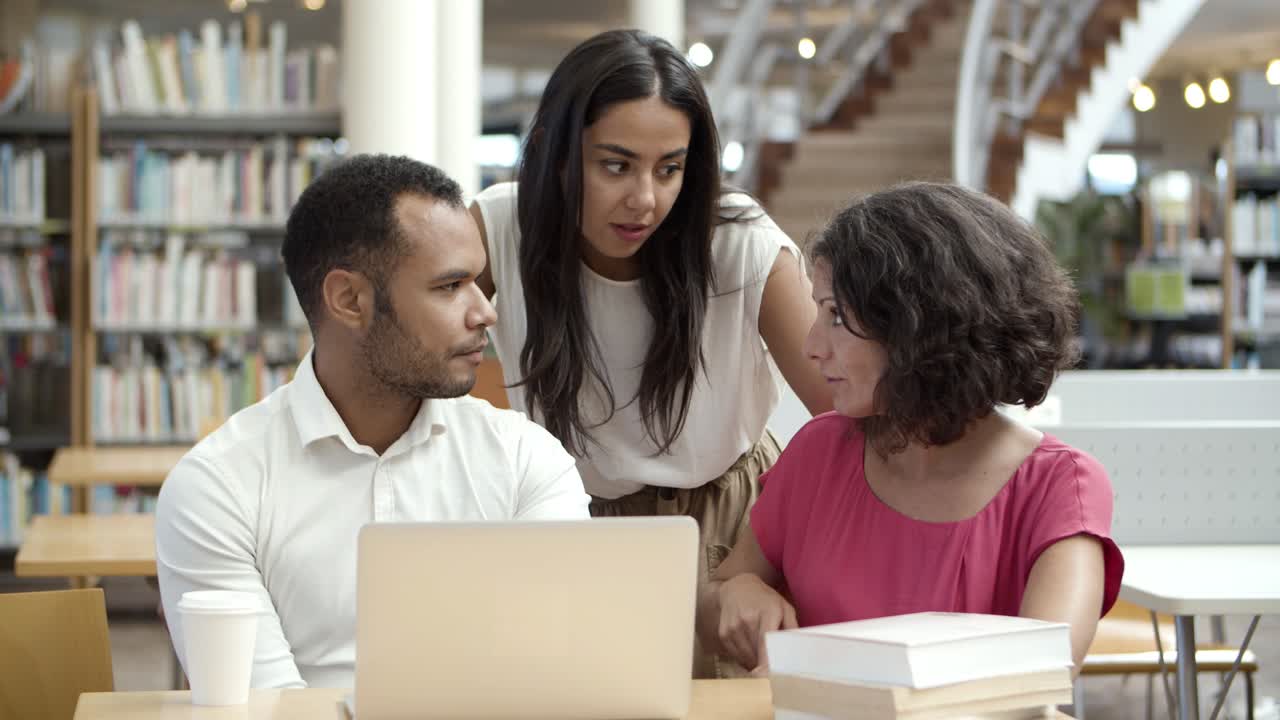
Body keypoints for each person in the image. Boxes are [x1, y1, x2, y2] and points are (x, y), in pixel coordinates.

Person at [469, 29, 833, 678]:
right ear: (558, 156)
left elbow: (843, 412)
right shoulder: (501, 225)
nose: (645, 198)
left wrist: (766, 549)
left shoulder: (740, 244)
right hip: (571, 519)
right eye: (616, 165)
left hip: (729, 526)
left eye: (670, 168)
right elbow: (409, 345)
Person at [156, 155, 591, 689]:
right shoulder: (217, 488)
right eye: (450, 286)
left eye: (477, 281)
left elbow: (546, 681)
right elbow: (270, 711)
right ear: (349, 300)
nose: (485, 312)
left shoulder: (530, 464)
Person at [698, 182, 1125, 675]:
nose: (812, 345)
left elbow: (1042, 671)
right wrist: (739, 592)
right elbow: (713, 609)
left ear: (921, 325)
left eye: (836, 315)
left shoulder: (1059, 486)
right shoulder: (819, 451)